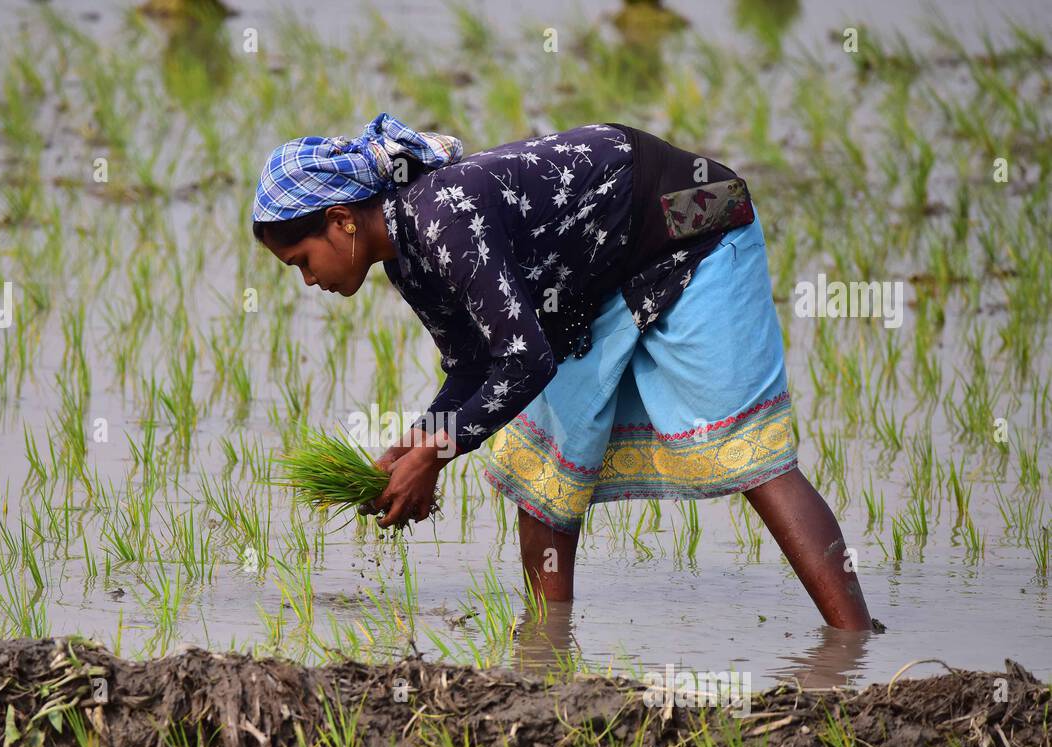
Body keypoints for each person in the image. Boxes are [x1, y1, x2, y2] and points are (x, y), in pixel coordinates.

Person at [251, 113, 873, 630]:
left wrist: (436, 456)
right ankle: (546, 658)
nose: (309, 280)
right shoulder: (407, 260)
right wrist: (417, 442)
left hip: (692, 224)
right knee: (541, 469)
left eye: (301, 261)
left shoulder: (442, 219)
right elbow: (475, 365)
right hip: (598, 273)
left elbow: (525, 358)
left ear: (341, 221)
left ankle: (853, 648)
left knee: (749, 453)